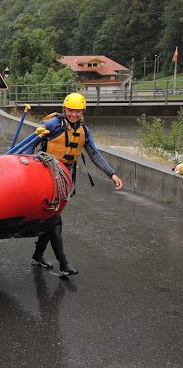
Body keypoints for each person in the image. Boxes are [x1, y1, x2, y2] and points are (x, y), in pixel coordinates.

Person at [27, 93, 123, 276]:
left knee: (51, 218)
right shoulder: (53, 124)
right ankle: (63, 265)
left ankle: (37, 256)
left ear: (82, 112)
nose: (74, 114)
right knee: (54, 219)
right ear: (65, 109)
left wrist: (112, 174)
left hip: (64, 179)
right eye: (71, 110)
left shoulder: (83, 130)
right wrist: (30, 169)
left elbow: (94, 154)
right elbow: (30, 144)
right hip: (46, 175)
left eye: (78, 111)